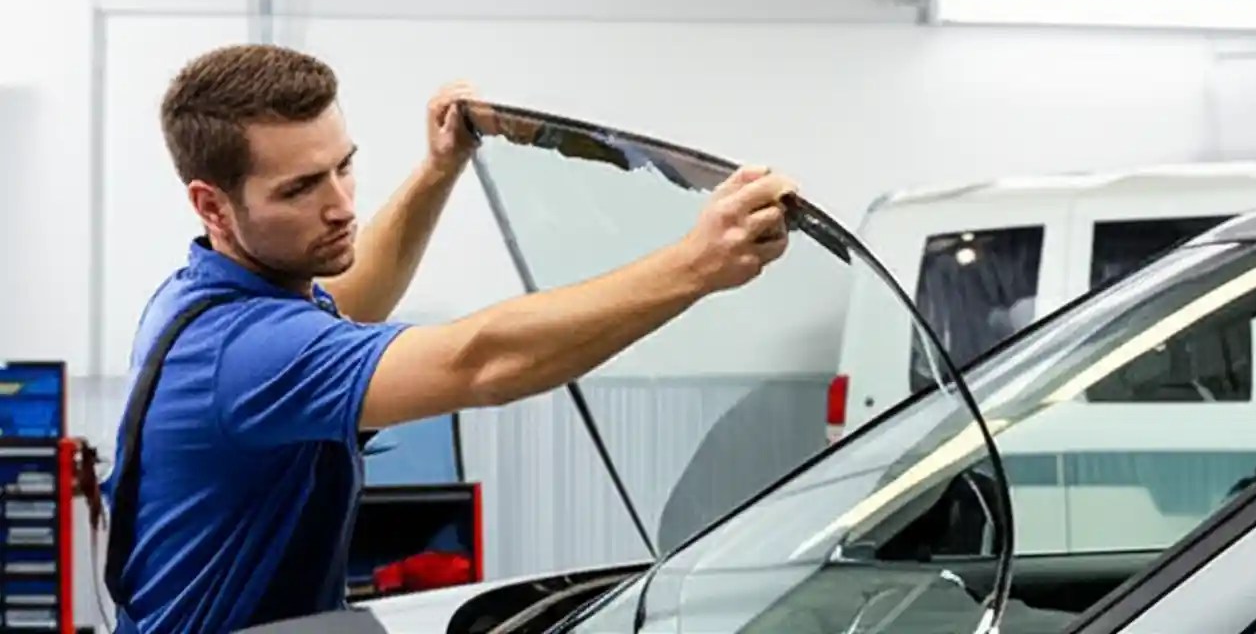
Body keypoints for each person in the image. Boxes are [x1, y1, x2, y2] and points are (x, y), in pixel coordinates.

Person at [100, 43, 796, 633]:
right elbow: (480, 361)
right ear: (211, 205)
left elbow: (354, 296)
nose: (341, 204)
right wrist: (695, 265)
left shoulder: (216, 291)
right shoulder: (244, 352)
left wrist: (439, 170)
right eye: (301, 188)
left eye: (344, 166)